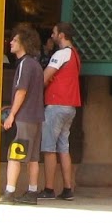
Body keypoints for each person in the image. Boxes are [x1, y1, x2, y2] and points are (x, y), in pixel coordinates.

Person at [1, 25, 45, 205]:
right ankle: (32, 191)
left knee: (15, 155)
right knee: (33, 158)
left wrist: (11, 115)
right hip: (37, 117)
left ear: (24, 43)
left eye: (15, 40)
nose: (10, 42)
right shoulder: (36, 65)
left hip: (24, 117)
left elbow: (21, 91)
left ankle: (9, 191)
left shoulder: (25, 65)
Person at [40, 22, 81, 201]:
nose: (52, 35)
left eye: (55, 32)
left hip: (56, 104)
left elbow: (45, 76)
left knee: (49, 148)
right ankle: (67, 188)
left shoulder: (61, 54)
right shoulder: (75, 55)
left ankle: (49, 188)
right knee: (63, 147)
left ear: (62, 35)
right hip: (70, 106)